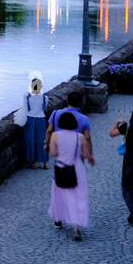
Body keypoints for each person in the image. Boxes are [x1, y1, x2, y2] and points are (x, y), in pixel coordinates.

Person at [48, 110, 93, 240]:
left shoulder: (55, 136)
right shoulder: (80, 137)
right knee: (77, 197)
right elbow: (85, 155)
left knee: (59, 195)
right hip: (76, 168)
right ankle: (76, 228)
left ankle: (58, 219)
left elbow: (53, 153)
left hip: (61, 167)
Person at [22, 72, 49, 169]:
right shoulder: (44, 97)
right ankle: (42, 162)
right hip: (39, 119)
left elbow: (24, 108)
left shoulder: (27, 96)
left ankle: (34, 162)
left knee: (33, 140)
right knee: (38, 141)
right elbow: (44, 108)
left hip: (33, 119)